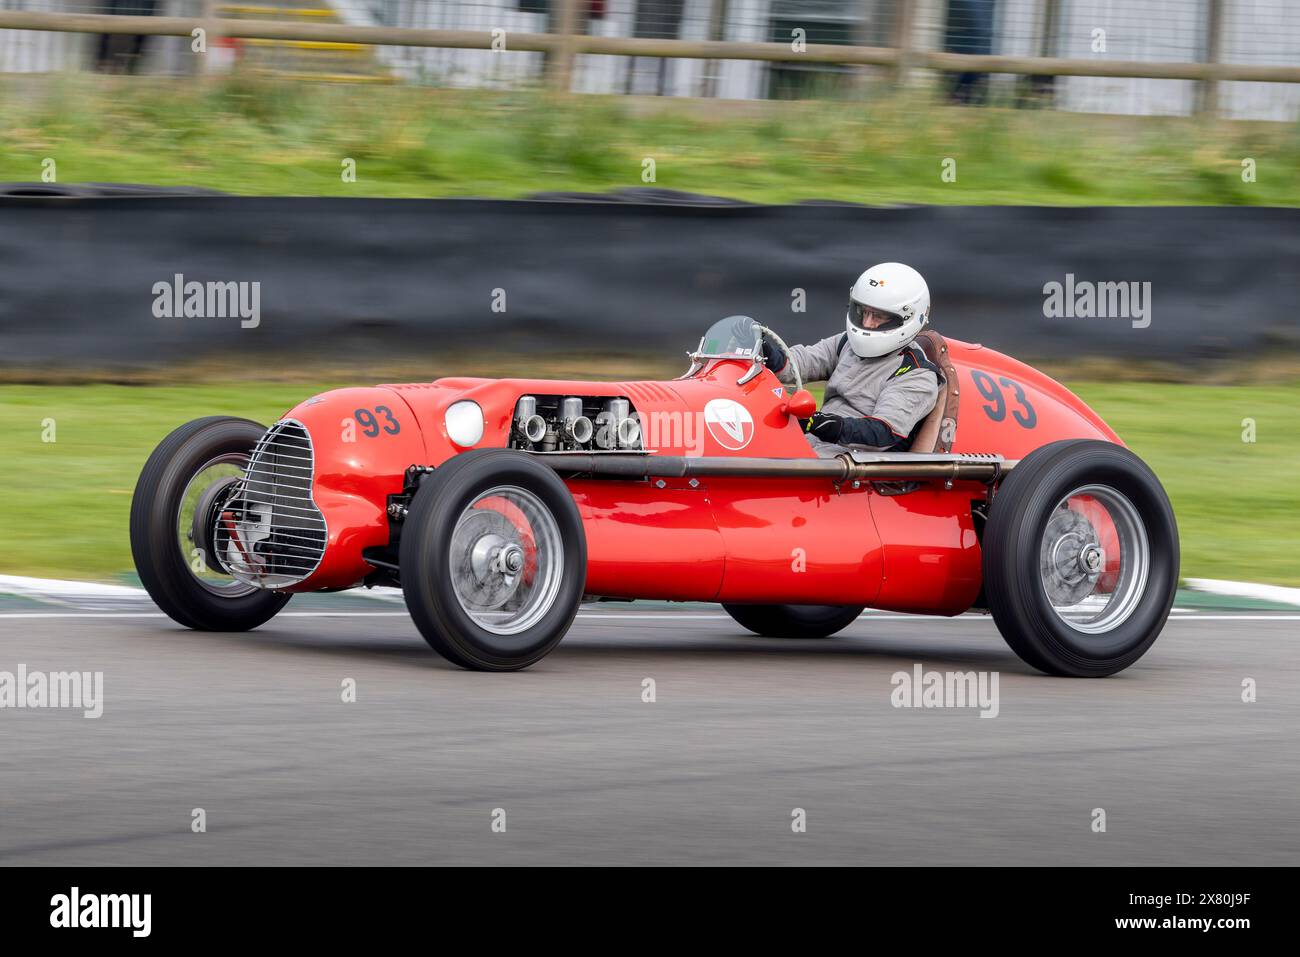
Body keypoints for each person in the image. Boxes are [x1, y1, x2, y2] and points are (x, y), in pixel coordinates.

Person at [765, 262, 941, 457]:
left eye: (879, 316)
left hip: (851, 467)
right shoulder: (846, 342)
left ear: (907, 319)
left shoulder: (916, 374)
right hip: (813, 445)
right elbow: (799, 364)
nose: (867, 323)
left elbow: (882, 433)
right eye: (863, 311)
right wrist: (767, 355)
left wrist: (829, 425)